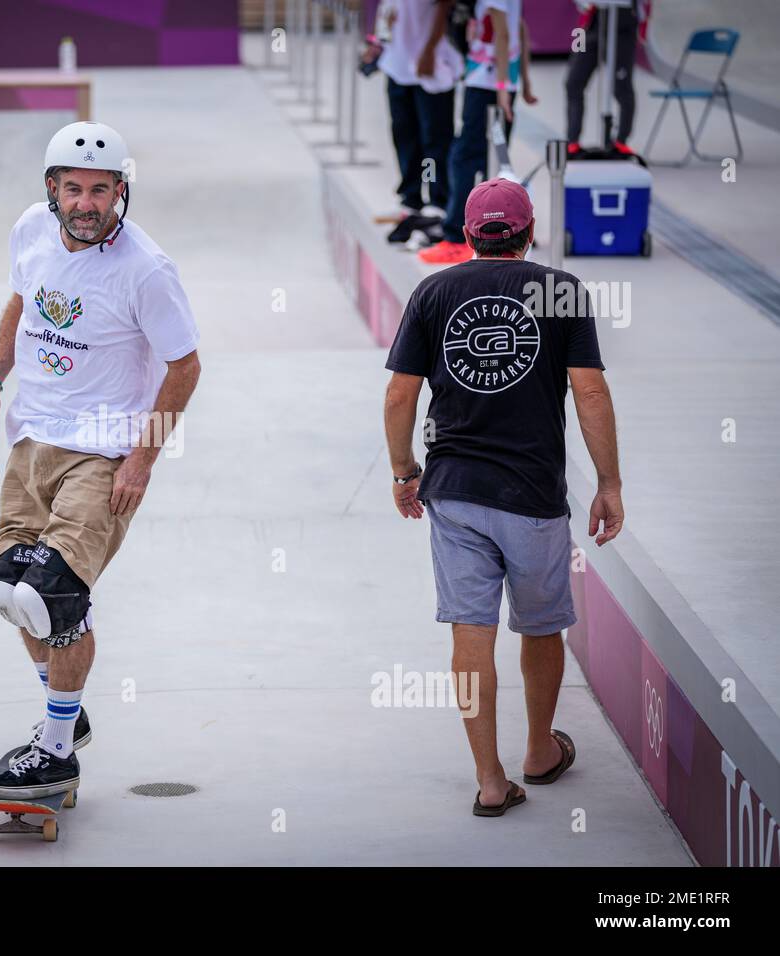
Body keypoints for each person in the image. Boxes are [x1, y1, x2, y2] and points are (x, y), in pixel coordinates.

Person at [0, 121, 202, 799]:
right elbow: (20, 301)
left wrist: (142, 459)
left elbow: (185, 366)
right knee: (10, 588)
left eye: (102, 190)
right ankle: (66, 707)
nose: (88, 204)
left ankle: (58, 750)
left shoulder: (146, 270)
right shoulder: (30, 233)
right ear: (52, 190)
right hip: (30, 438)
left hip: (104, 449)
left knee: (54, 596)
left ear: (121, 191)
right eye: (75, 189)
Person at [383, 178, 624, 816]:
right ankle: (540, 751)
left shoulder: (433, 291)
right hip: (533, 497)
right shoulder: (559, 290)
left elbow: (399, 395)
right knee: (541, 627)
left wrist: (405, 471)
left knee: (471, 633)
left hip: (455, 492)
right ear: (529, 232)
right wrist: (609, 483)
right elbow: (590, 391)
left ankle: (490, 781)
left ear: (466, 234)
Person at [420, 0, 536, 265]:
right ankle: (494, 238)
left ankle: (456, 238)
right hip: (493, 81)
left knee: (465, 157)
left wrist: (503, 88)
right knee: (488, 159)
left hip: (488, 84)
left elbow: (506, 33)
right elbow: (518, 28)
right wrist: (522, 80)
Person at [374, 1, 460, 230]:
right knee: (404, 135)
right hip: (396, 64)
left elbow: (445, 6)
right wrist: (377, 43)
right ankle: (411, 197)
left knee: (433, 140)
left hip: (429, 66)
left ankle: (436, 198)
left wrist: (430, 49)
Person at [565, 0, 651, 156]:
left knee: (622, 87)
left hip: (621, 21)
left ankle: (620, 142)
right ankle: (572, 142)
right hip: (588, 23)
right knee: (573, 82)